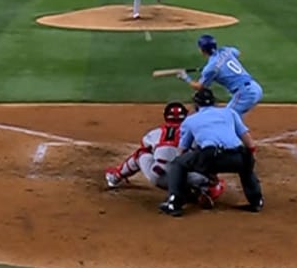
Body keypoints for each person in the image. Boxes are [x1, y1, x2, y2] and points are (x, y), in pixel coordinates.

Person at [159, 87, 263, 217]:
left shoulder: (190, 120)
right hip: (236, 158)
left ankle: (174, 203)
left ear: (196, 104)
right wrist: (250, 158)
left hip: (211, 158)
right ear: (214, 102)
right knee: (246, 165)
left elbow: (182, 149)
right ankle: (256, 202)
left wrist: (189, 164)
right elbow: (247, 140)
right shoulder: (230, 113)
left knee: (177, 164)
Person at [103, 101, 226, 206]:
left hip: (159, 177)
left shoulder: (155, 133)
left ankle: (115, 177)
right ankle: (205, 189)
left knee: (141, 154)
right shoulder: (194, 133)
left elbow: (146, 146)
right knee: (202, 162)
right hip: (187, 178)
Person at [183, 33, 264, 115]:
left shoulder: (210, 68)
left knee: (227, 117)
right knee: (235, 119)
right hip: (256, 88)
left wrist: (185, 77)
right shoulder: (226, 50)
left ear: (202, 50)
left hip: (245, 93)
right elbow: (237, 53)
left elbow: (199, 87)